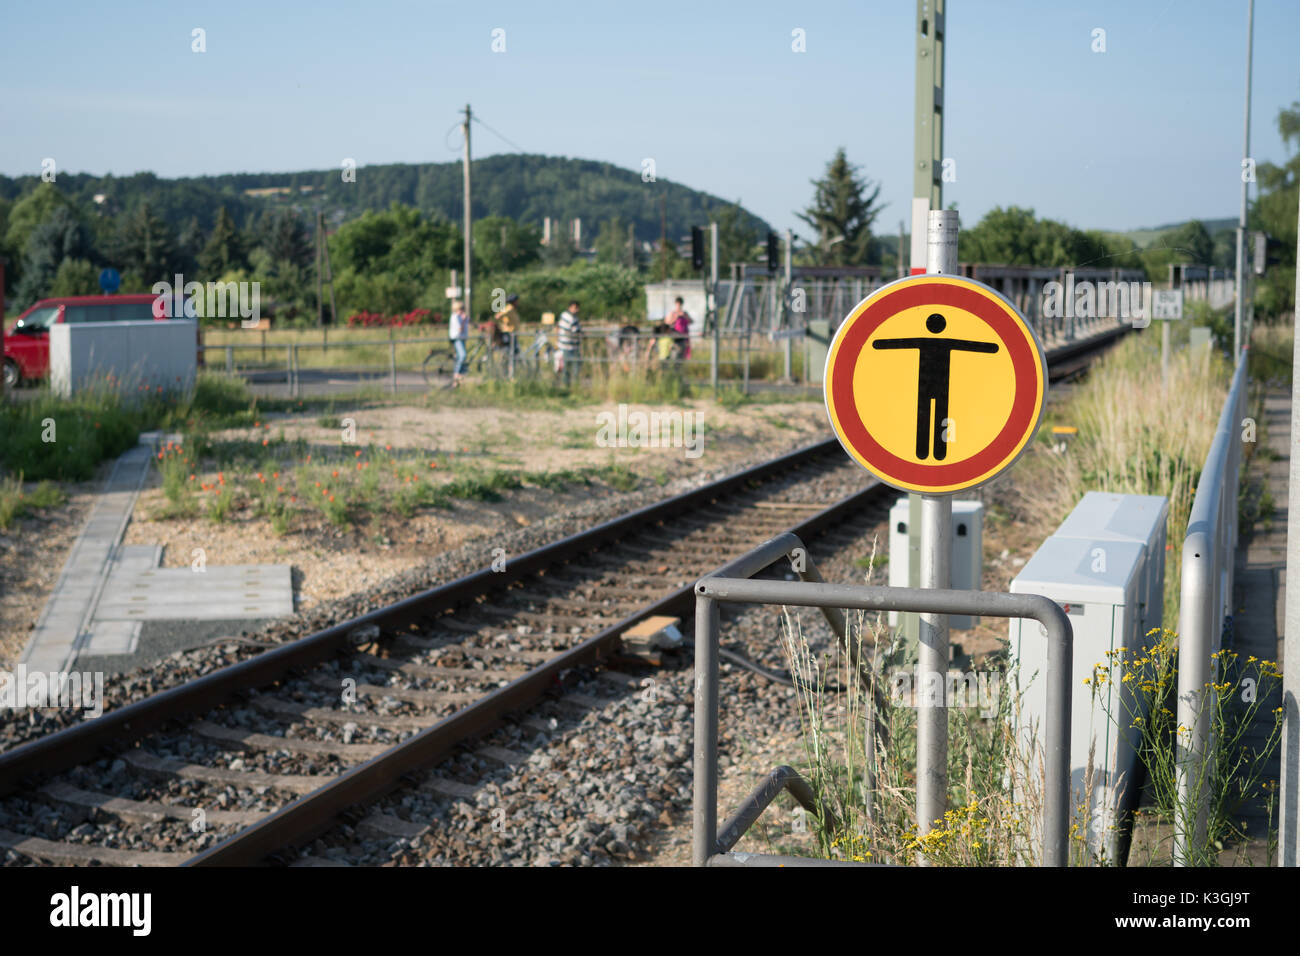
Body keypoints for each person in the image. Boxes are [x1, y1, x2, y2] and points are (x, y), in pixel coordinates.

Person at [556, 300, 582, 385]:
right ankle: (566, 386)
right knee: (567, 367)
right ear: (569, 307)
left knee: (576, 366)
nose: (576, 309)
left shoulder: (575, 317)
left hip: (574, 346)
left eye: (577, 308)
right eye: (574, 307)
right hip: (566, 346)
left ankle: (575, 385)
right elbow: (574, 330)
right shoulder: (566, 316)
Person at [448, 299, 469, 387]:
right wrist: (464, 320)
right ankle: (456, 375)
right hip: (457, 338)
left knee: (461, 357)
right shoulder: (455, 317)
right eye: (460, 309)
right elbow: (459, 329)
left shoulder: (462, 316)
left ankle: (460, 378)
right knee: (462, 355)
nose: (462, 310)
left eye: (463, 308)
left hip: (463, 338)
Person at [667, 296, 692, 360]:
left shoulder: (685, 313)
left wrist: (684, 316)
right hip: (676, 338)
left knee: (683, 356)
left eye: (680, 304)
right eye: (678, 304)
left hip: (684, 338)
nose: (679, 306)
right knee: (675, 355)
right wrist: (676, 317)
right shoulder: (673, 313)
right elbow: (668, 323)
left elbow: (691, 321)